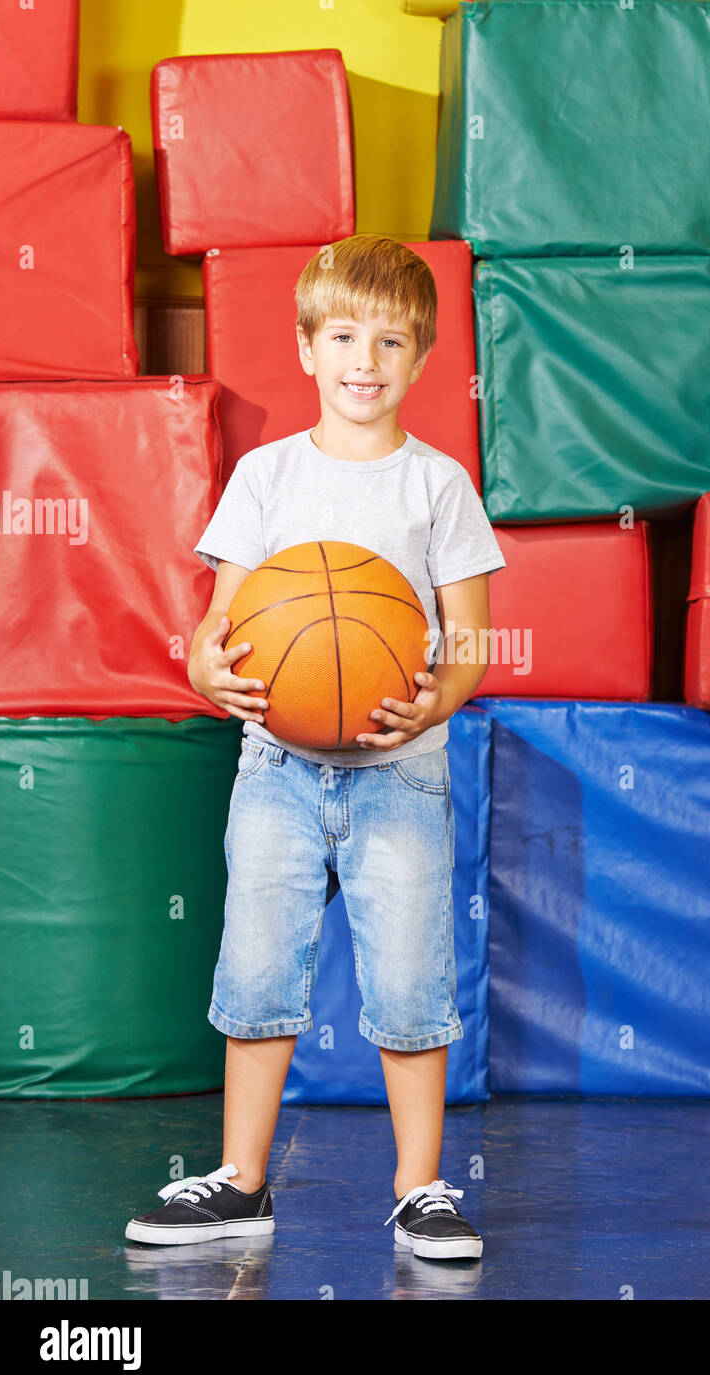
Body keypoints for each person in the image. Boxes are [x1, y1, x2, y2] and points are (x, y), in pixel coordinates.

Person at [124, 233, 505, 1259]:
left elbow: (466, 644)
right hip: (276, 771)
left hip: (400, 773)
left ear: (421, 359)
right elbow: (216, 628)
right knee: (254, 975)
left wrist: (434, 704)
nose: (365, 360)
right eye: (344, 336)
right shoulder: (264, 475)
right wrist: (206, 669)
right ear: (305, 347)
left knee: (411, 985)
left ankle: (420, 1187)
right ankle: (241, 1182)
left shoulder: (439, 487)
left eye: (390, 341)